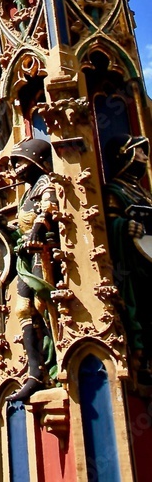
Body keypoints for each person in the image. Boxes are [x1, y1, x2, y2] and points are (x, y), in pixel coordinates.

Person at [0, 137, 60, 401]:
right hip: (26, 257)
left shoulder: (44, 183)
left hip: (42, 253)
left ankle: (57, 356)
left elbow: (49, 208)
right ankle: (34, 372)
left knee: (43, 302)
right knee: (22, 309)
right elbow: (20, 230)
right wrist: (3, 227)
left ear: (35, 160)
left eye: (19, 162)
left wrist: (38, 231)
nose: (15, 168)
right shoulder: (26, 193)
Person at [103, 134, 152, 371]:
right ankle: (139, 353)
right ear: (125, 155)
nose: (144, 156)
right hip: (131, 263)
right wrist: (124, 227)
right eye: (139, 151)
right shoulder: (114, 189)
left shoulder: (144, 193)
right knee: (139, 302)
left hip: (147, 260)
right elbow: (109, 225)